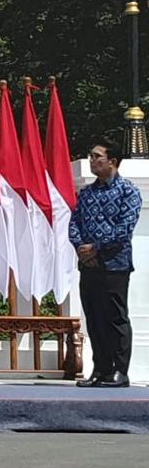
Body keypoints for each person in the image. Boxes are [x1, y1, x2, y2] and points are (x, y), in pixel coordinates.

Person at [70, 138, 142, 388]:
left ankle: (120, 370)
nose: (92, 161)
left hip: (115, 265)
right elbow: (74, 222)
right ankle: (100, 368)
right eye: (90, 156)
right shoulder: (87, 193)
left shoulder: (128, 191)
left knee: (115, 318)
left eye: (97, 156)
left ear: (112, 161)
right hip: (88, 266)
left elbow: (124, 229)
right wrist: (80, 249)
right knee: (94, 317)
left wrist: (96, 249)